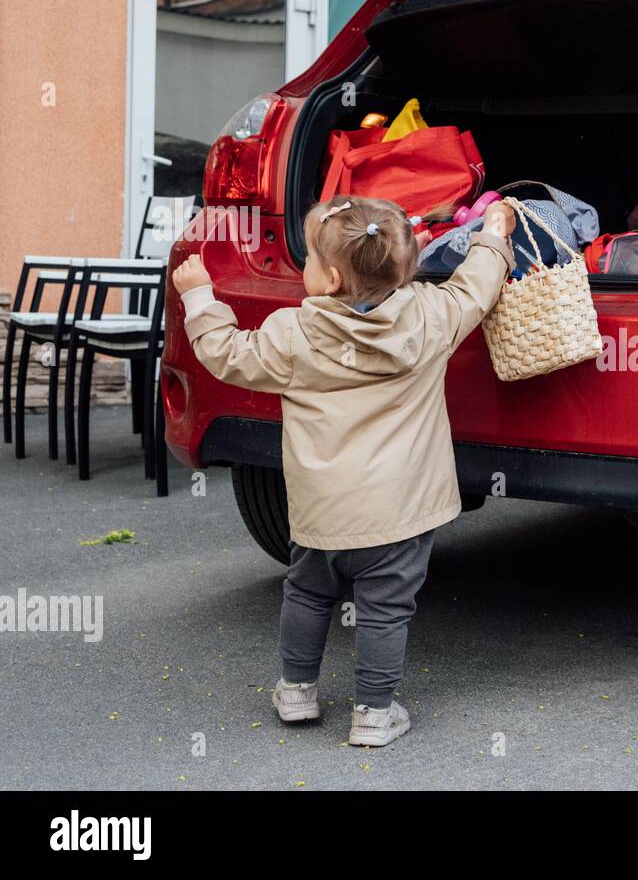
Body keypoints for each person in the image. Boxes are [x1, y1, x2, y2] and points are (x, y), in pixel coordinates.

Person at [171, 195, 516, 746]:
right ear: (406, 269)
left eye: (307, 257)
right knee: (385, 610)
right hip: (401, 512)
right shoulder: (431, 316)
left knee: (307, 594)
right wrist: (493, 231)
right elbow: (477, 284)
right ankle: (375, 715)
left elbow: (225, 353)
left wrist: (199, 297)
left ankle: (296, 692)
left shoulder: (292, 335)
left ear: (329, 279)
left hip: (321, 508)